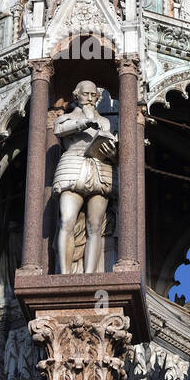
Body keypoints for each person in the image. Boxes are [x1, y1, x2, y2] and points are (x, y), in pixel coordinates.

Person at [52, 80, 117, 274]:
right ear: (76, 95)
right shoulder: (65, 119)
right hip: (72, 167)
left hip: (99, 168)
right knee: (67, 220)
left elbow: (113, 152)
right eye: (85, 94)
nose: (89, 98)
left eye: (93, 95)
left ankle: (90, 274)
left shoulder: (105, 122)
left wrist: (111, 150)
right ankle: (64, 274)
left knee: (95, 225)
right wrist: (83, 123)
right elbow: (58, 130)